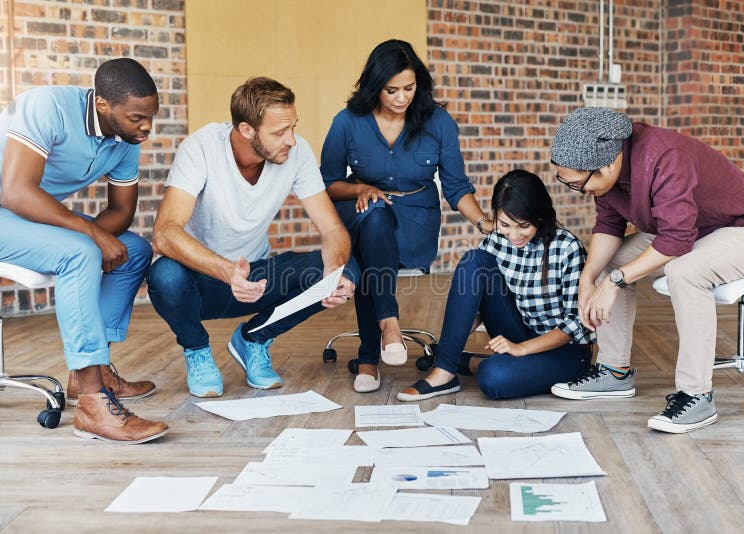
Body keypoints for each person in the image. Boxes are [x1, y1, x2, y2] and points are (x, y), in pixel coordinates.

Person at [548, 107, 744, 433]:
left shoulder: (665, 158)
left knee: (685, 273)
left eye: (580, 184)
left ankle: (697, 395)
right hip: (695, 230)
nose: (581, 191)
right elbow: (608, 226)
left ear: (608, 164)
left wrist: (614, 282)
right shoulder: (606, 172)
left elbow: (676, 239)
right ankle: (614, 372)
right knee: (609, 261)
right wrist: (587, 280)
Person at [147, 77, 356, 398]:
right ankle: (197, 349)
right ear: (246, 129)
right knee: (165, 275)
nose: (291, 140)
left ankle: (254, 338)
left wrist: (333, 273)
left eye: (293, 128)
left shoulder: (297, 153)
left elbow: (333, 230)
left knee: (346, 268)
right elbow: (165, 233)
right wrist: (228, 271)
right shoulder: (201, 147)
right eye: (279, 132)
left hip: (256, 280)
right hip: (199, 282)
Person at [0, 58, 167, 444]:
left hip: (28, 216)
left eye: (151, 117)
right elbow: (16, 191)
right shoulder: (49, 107)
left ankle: (91, 371)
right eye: (138, 117)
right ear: (103, 105)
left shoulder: (125, 138)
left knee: (132, 250)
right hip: (10, 205)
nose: (146, 127)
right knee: (79, 253)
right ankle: (93, 404)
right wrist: (90, 238)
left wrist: (98, 239)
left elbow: (122, 211)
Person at [320, 39, 492, 393]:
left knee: (370, 251)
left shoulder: (438, 122)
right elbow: (327, 184)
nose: (401, 98)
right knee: (373, 219)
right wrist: (360, 189)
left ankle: (369, 358)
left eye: (409, 88)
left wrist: (483, 223)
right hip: (361, 212)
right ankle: (389, 326)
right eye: (391, 90)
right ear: (374, 86)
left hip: (415, 223)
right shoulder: (347, 122)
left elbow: (456, 187)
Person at [397, 170, 594, 401]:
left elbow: (575, 324)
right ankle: (445, 371)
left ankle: (474, 363)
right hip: (519, 332)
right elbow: (481, 304)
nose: (514, 235)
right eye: (505, 224)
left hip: (563, 351)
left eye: (524, 226)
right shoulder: (496, 241)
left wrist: (520, 349)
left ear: (540, 217)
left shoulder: (567, 248)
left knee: (493, 377)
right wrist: (454, 340)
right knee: (474, 260)